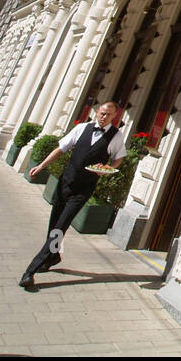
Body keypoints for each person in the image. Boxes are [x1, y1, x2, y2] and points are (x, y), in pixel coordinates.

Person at [20, 101, 126, 287]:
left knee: (60, 227)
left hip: (83, 189)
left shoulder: (116, 135)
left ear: (114, 116)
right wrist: (41, 165)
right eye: (101, 113)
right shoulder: (82, 128)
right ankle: (53, 257)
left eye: (108, 115)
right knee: (54, 225)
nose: (103, 117)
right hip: (65, 183)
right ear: (96, 112)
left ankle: (31, 271)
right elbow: (61, 149)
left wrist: (109, 168)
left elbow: (119, 158)